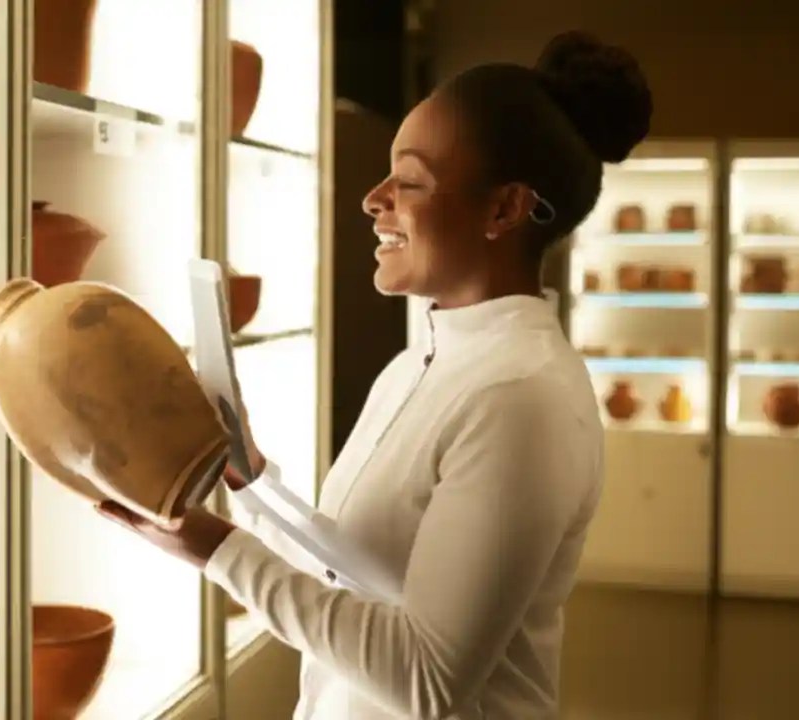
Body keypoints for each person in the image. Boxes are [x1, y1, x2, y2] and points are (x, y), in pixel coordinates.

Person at [96, 30, 652, 720]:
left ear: (504, 209)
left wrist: (216, 550)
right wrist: (251, 478)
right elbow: (356, 575)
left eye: (410, 180)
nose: (373, 198)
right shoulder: (423, 360)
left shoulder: (520, 395)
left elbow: (427, 680)